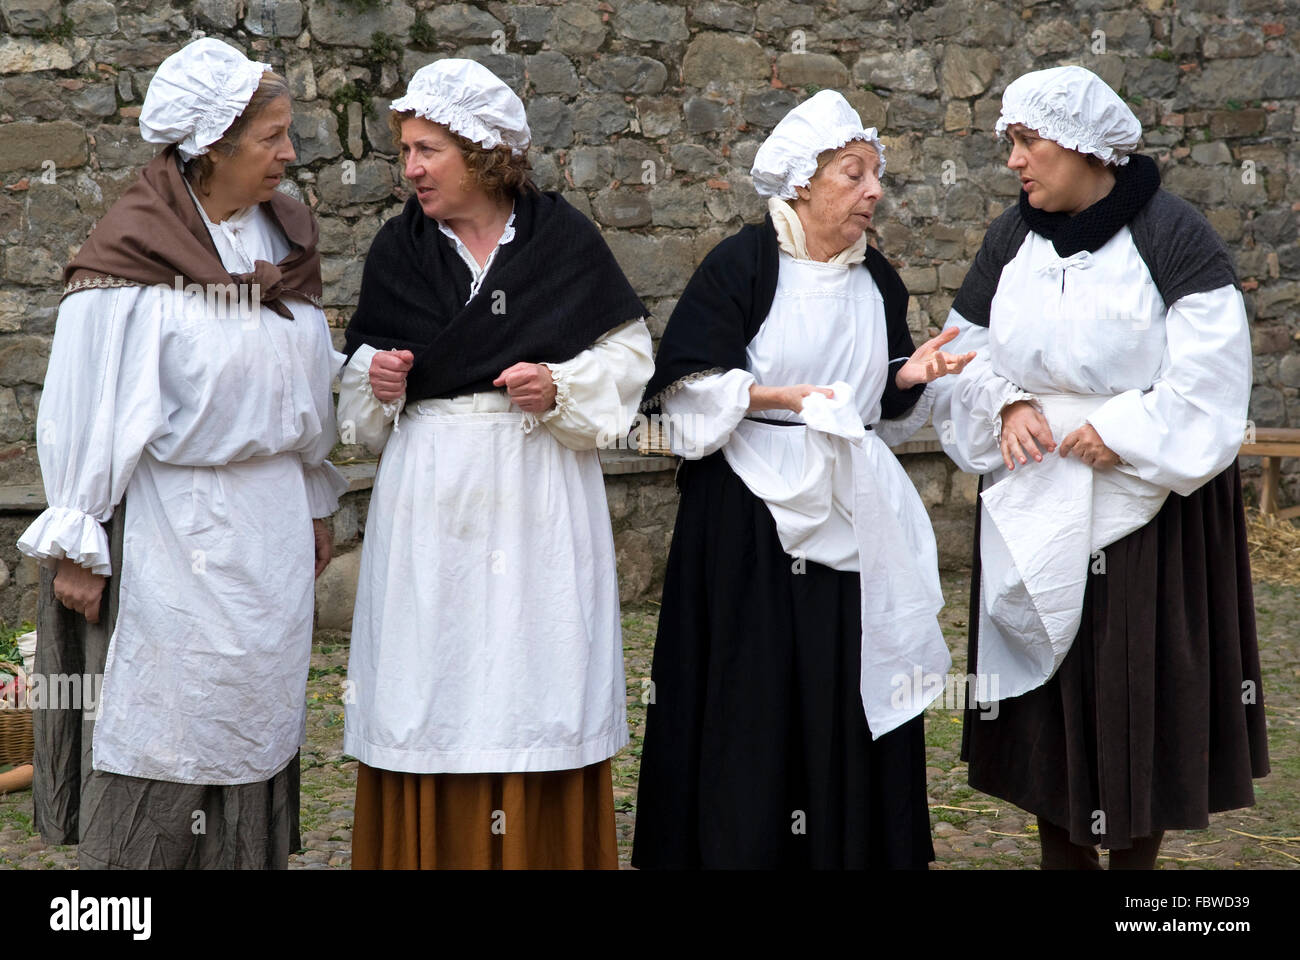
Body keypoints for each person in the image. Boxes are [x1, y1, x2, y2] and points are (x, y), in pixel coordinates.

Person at [18, 37, 347, 869]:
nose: (289, 153)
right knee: (167, 725)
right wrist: (77, 537)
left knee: (254, 720)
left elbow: (303, 386)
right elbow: (87, 402)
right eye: (272, 136)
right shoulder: (135, 254)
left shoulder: (280, 237)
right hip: (178, 527)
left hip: (268, 527)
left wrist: (314, 495)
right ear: (213, 144)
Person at [931, 65, 1270, 869]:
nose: (1014, 160)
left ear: (1085, 147)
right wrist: (1010, 402)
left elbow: (1214, 382)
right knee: (1049, 703)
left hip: (1149, 509)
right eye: (1009, 142)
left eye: (1028, 141)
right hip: (1036, 493)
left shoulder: (1171, 235)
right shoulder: (1011, 238)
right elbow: (957, 356)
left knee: (1134, 694)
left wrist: (1119, 428)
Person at [630, 91, 974, 869]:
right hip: (745, 519)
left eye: (875, 175)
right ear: (800, 185)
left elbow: (879, 404)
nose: (873, 191)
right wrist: (769, 397)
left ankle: (846, 850)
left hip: (849, 514)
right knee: (750, 696)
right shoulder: (742, 267)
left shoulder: (876, 278)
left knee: (843, 686)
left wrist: (909, 374)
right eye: (853, 175)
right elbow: (681, 388)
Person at [338, 59, 654, 870]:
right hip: (430, 493)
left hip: (536, 487)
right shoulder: (400, 249)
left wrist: (561, 385)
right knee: (431, 678)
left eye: (426, 150)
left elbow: (628, 359)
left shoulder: (562, 240)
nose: (410, 168)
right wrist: (376, 380)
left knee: (535, 672)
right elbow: (356, 393)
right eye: (405, 150)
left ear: (480, 151)